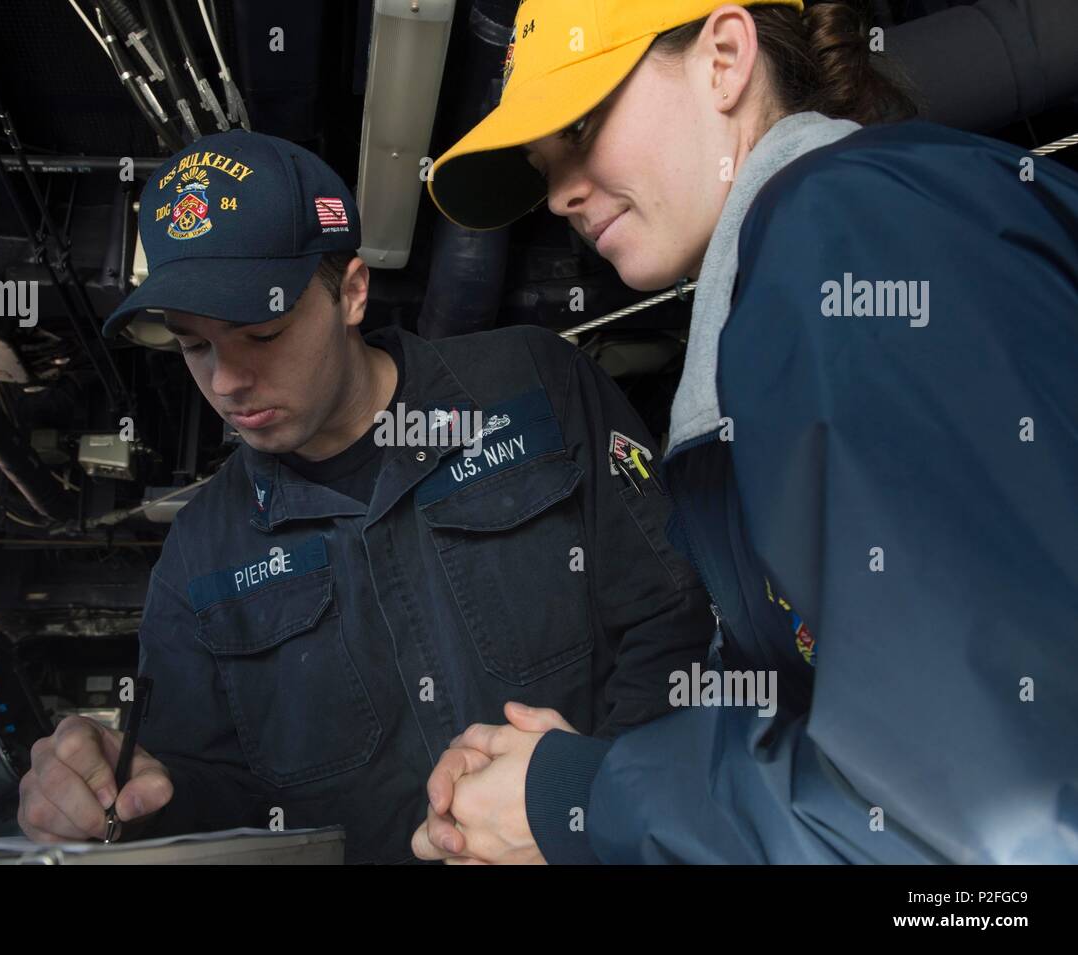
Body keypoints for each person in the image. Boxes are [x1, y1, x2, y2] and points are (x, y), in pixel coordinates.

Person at [414, 0, 1078, 864]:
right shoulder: (796, 268)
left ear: (724, 56)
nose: (559, 193)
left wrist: (583, 799)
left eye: (579, 126)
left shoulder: (847, 228)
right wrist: (598, 772)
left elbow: (998, 832)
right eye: (545, 165)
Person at [15, 129, 713, 863]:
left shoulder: (535, 386)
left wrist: (589, 810)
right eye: (193, 344)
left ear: (351, 291)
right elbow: (207, 807)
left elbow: (678, 622)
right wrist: (111, 798)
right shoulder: (198, 560)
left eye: (263, 332)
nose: (226, 381)